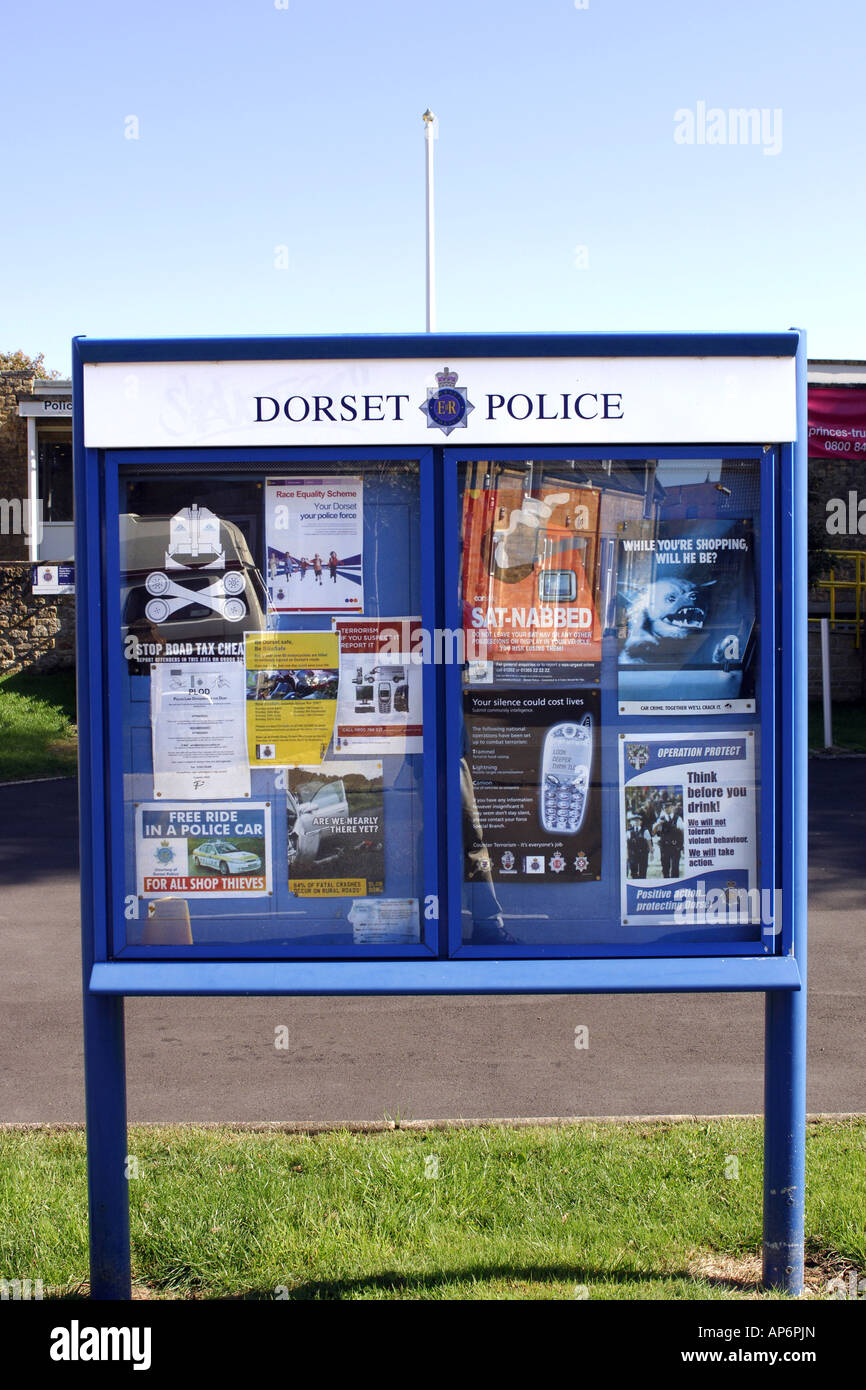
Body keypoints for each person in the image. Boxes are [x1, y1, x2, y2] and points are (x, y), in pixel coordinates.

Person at [654, 803, 684, 879]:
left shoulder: (678, 818)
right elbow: (655, 832)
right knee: (665, 867)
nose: (667, 809)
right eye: (665, 808)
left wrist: (682, 844)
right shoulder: (661, 819)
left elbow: (682, 831)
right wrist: (658, 825)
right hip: (665, 846)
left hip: (675, 846)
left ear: (672, 808)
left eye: (669, 807)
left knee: (675, 867)